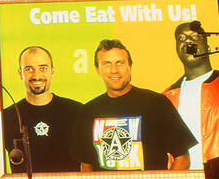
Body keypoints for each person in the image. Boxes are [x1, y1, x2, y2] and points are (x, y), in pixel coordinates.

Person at [78, 39, 196, 171]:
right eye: (106, 64)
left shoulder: (156, 103)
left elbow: (183, 158)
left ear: (130, 67)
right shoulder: (88, 111)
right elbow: (86, 164)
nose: (114, 70)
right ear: (97, 70)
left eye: (120, 63)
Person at [163, 22, 219, 167]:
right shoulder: (165, 98)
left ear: (208, 47)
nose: (187, 41)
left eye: (194, 36)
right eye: (181, 38)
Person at [0, 46, 83, 172]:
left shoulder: (76, 111)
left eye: (43, 68)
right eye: (29, 69)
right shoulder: (6, 117)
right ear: (20, 73)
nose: (36, 75)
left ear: (52, 71)